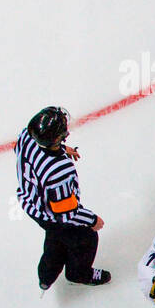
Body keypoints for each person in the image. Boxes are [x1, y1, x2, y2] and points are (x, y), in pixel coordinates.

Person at [14, 106, 110, 291]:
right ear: (56, 138)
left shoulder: (26, 136)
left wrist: (62, 149)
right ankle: (78, 273)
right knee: (86, 237)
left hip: (31, 203)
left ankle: (46, 276)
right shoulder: (58, 171)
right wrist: (91, 220)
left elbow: (36, 151)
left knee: (56, 237)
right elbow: (66, 212)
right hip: (51, 213)